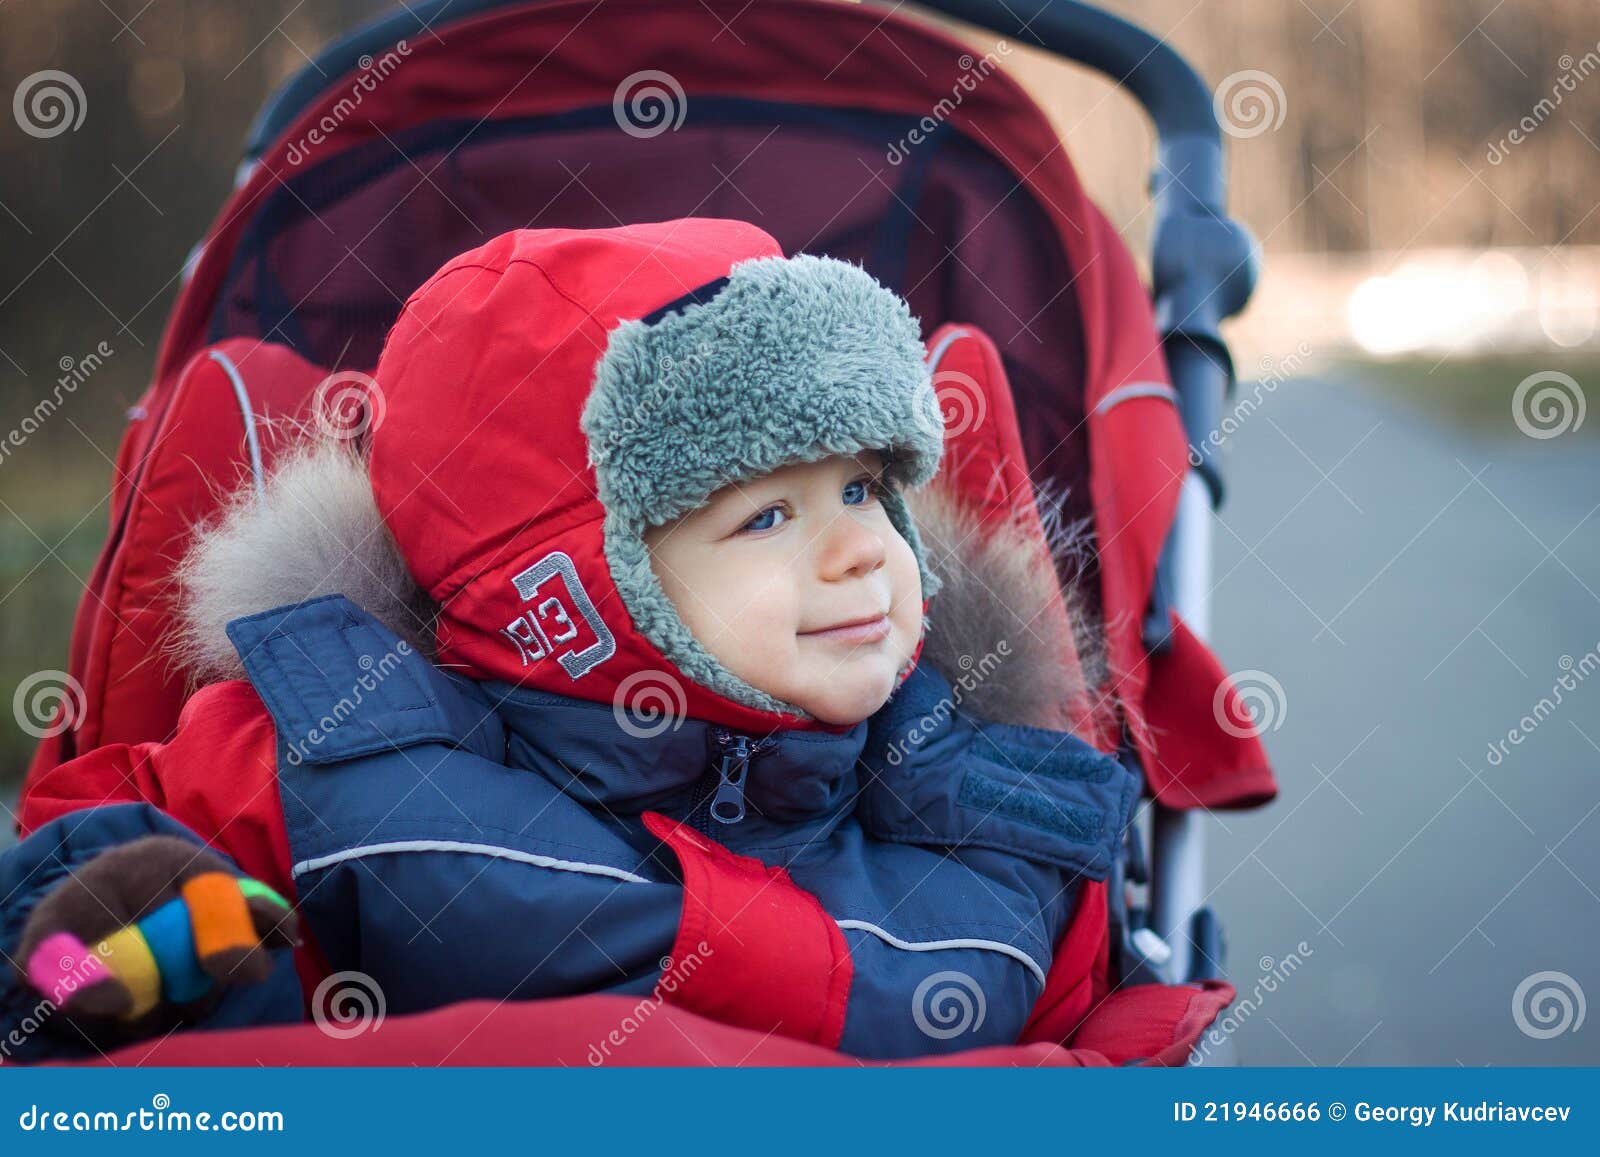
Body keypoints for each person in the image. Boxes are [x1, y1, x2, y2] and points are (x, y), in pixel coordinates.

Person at [1, 219, 1133, 1062]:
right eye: (768, 516)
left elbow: (1095, 1023)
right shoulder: (350, 767)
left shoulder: (987, 806)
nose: (861, 550)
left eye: (861, 483)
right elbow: (71, 916)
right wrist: (117, 969)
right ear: (573, 593)